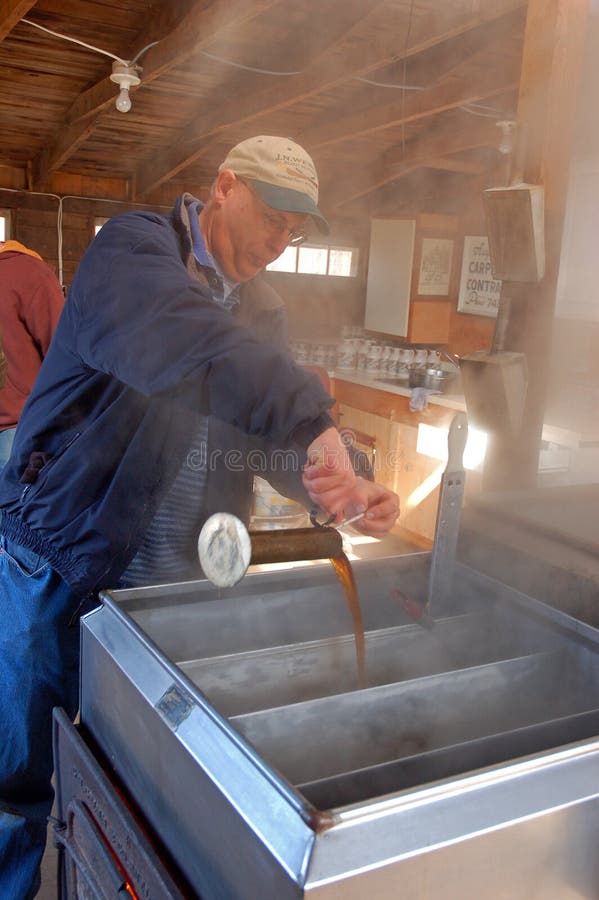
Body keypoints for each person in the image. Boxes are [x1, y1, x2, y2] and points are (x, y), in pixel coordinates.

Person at [0, 134, 399, 897]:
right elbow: (180, 344)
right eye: (273, 217)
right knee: (14, 782)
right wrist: (310, 412)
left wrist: (334, 478)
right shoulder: (133, 250)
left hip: (169, 584)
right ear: (224, 186)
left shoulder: (263, 310)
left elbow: (262, 435)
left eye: (296, 232)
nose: (280, 241)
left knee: (134, 782)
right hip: (58, 557)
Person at [0, 240, 64, 470]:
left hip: (14, 432)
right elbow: (63, 354)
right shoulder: (30, 272)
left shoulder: (27, 272)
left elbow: (61, 353)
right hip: (15, 426)